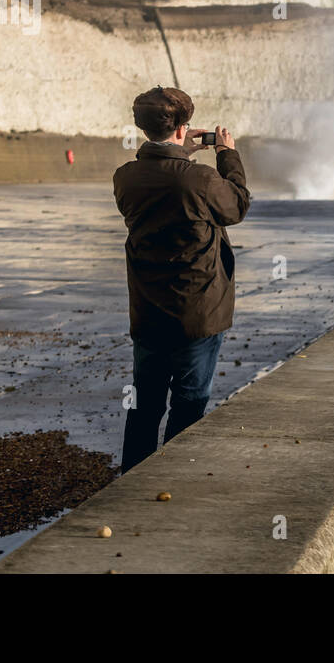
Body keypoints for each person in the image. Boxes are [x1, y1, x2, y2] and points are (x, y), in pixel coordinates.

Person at [112, 86, 251, 472]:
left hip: (147, 311)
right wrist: (227, 153)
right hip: (197, 311)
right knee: (189, 402)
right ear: (183, 128)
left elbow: (164, 179)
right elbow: (237, 205)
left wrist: (177, 151)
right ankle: (170, 477)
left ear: (143, 129)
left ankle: (133, 476)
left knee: (145, 404)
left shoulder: (125, 178)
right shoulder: (200, 179)